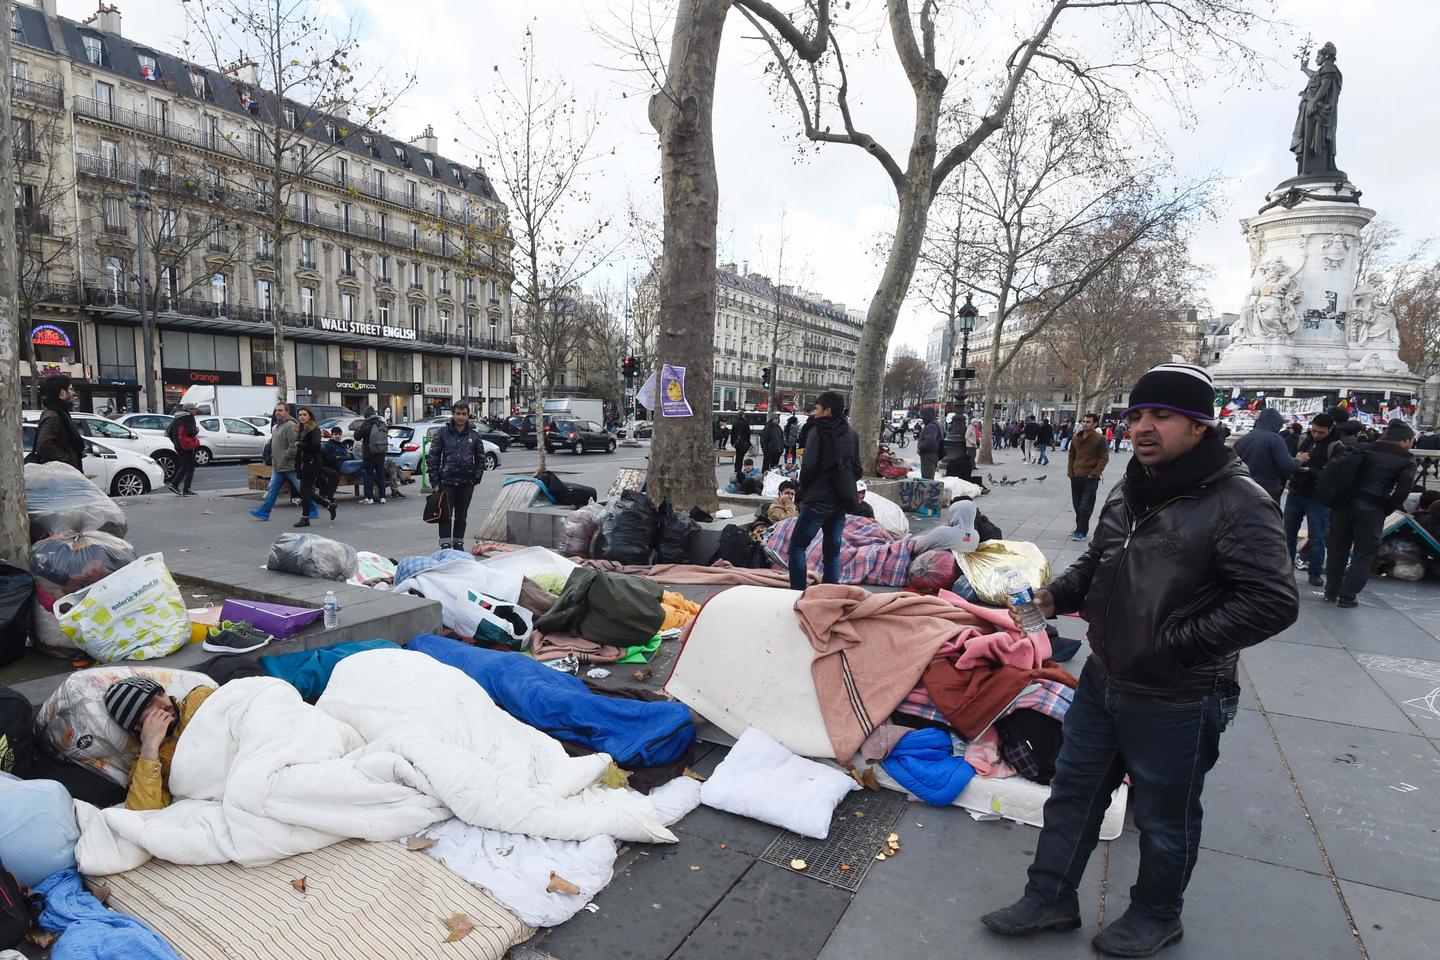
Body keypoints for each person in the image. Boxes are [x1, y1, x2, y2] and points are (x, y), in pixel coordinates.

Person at [981, 361, 1298, 957]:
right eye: (1137, 415)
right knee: (1074, 792)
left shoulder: (1238, 501)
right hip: (1104, 676)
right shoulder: (1131, 487)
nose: (1143, 427)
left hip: (1179, 691)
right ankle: (1049, 897)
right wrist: (1057, 596)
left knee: (1164, 814)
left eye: (1162, 415)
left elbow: (1272, 602)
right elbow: (1099, 561)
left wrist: (1173, 644)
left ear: (1201, 426)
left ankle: (1157, 914)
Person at [1325, 419, 1416, 608]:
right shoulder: (1406, 459)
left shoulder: (1364, 447)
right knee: (1363, 554)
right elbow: (1402, 491)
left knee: (1338, 550)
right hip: (1372, 508)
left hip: (1344, 505)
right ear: (1406, 440)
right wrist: (1386, 507)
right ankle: (1347, 596)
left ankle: (1331, 590)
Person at [102, 676, 216, 811]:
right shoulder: (149, 762)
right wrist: (150, 746)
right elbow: (142, 813)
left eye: (161, 694)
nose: (165, 704)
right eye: (149, 704)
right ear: (136, 725)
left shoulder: (199, 697)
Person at [789, 391, 859, 590]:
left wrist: (802, 491)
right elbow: (857, 469)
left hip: (817, 500)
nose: (814, 412)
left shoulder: (817, 431)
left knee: (797, 547)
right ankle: (829, 595)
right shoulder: (852, 433)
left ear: (827, 410)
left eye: (817, 408)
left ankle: (797, 593)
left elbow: (809, 466)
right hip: (840, 502)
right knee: (832, 552)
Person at [1283, 413, 1340, 586]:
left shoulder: (1335, 446)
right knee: (1288, 535)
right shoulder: (1302, 439)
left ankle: (1314, 572)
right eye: (1314, 430)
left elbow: (1333, 473)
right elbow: (1287, 459)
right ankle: (1286, 569)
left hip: (1317, 497)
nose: (1316, 435)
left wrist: (1310, 471)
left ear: (1330, 429)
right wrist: (1296, 463)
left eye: (1320, 432)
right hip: (1295, 492)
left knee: (1317, 537)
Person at [427, 401, 487, 551]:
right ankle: (446, 545)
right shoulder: (442, 432)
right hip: (446, 481)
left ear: (468, 415)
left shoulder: (474, 434)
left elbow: (481, 458)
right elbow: (433, 456)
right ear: (453, 414)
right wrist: (434, 481)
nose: (460, 417)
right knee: (445, 515)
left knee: (461, 516)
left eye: (464, 414)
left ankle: (458, 543)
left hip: (466, 483)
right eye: (458, 413)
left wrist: (475, 479)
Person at [250, 403, 316, 521]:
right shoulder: (277, 426)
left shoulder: (290, 425)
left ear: (287, 412)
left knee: (302, 490)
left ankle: (313, 508)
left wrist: (285, 456)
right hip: (278, 467)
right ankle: (264, 512)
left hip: (289, 466)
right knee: (272, 490)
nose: (277, 413)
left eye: (280, 410)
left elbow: (293, 446)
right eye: (276, 411)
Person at [1234, 407, 1301, 503]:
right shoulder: (1275, 438)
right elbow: (1287, 465)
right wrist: (1299, 460)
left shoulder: (1244, 438)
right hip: (1267, 488)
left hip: (1242, 487)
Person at [1066, 413, 1110, 541]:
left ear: (1095, 424)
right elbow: (1071, 456)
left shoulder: (1099, 439)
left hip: (1090, 477)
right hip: (1076, 475)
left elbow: (1104, 458)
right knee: (1077, 505)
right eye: (1083, 421)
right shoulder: (1076, 438)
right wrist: (1070, 471)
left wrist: (1094, 473)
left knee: (1086, 506)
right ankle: (1079, 528)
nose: (1085, 424)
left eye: (1088, 422)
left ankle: (1081, 531)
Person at [293, 407, 338, 527]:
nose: (301, 417)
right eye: (300, 415)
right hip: (303, 463)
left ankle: (305, 518)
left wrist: (301, 445)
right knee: (305, 492)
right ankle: (328, 505)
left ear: (310, 416)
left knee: (304, 491)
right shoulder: (300, 429)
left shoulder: (314, 430)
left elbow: (316, 446)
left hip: (312, 464)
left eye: (304, 415)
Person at [32, 375, 84, 470]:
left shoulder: (61, 412)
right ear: (62, 393)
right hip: (61, 474)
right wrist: (67, 460)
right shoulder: (53, 416)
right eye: (71, 389)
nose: (73, 392)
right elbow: (44, 444)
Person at [354, 406, 389, 504]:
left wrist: (358, 428)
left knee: (369, 475)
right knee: (380, 474)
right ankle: (382, 497)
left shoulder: (366, 425)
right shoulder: (381, 423)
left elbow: (357, 437)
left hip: (369, 454)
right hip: (381, 453)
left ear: (366, 416)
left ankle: (369, 498)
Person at [165, 402, 200, 496]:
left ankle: (175, 485)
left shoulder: (177, 418)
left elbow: (169, 432)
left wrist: (176, 442)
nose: (195, 410)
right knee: (191, 467)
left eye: (195, 408)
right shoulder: (189, 418)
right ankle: (185, 489)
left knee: (185, 466)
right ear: (188, 410)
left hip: (178, 446)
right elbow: (190, 431)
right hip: (187, 446)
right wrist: (196, 430)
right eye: (193, 408)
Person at [917, 408, 943, 479]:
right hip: (932, 454)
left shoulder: (931, 426)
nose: (922, 418)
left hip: (929, 455)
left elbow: (930, 441)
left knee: (927, 477)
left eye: (923, 415)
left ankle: (927, 490)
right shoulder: (936, 424)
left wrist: (920, 447)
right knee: (929, 475)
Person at [730, 412, 752, 481]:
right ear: (743, 416)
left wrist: (732, 442)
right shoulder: (745, 423)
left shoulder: (735, 422)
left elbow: (732, 433)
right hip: (744, 443)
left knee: (738, 455)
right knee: (741, 456)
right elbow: (748, 433)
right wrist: (748, 442)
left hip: (737, 443)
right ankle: (739, 469)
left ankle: (737, 468)